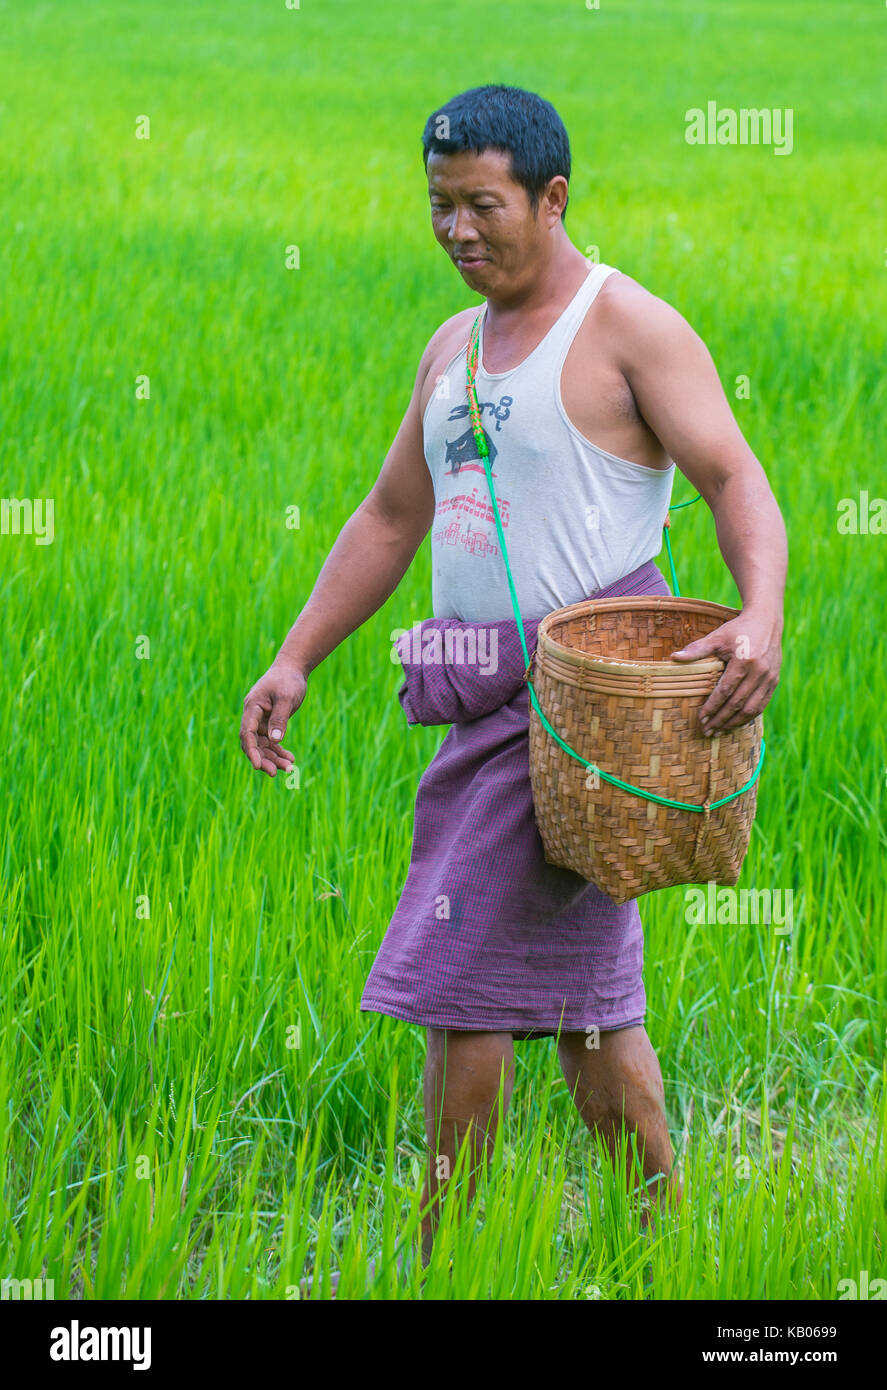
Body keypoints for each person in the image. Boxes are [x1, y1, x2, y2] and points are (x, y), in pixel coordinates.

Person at [239, 84, 786, 1273]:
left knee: (460, 992)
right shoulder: (454, 345)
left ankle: (448, 1261)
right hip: (479, 705)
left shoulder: (626, 326)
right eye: (438, 206)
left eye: (480, 205)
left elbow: (733, 478)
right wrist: (294, 655)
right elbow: (392, 515)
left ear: (551, 197)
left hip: (584, 708)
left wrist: (761, 618)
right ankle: (666, 1241)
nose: (455, 230)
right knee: (591, 1014)